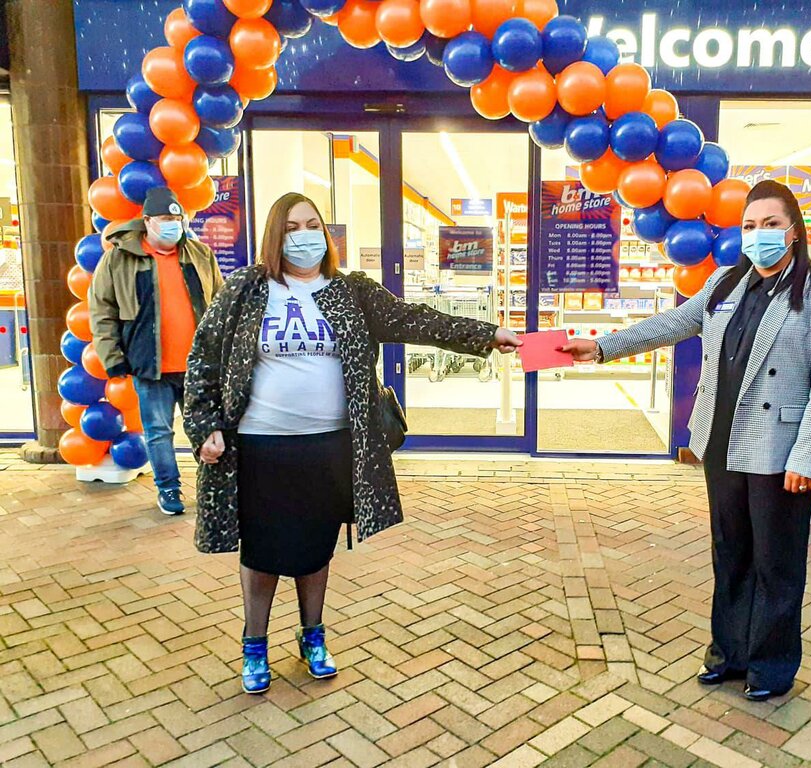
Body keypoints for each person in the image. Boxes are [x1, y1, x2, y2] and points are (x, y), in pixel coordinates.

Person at [184, 193, 521, 694]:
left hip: (330, 444)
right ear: (276, 236)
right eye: (294, 226)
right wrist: (205, 425)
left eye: (313, 224)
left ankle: (312, 635)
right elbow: (203, 359)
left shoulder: (350, 292)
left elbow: (414, 320)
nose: (305, 235)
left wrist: (486, 333)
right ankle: (254, 643)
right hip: (260, 445)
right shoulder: (245, 291)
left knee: (315, 546)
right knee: (261, 549)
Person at [563, 180, 811, 701]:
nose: (758, 235)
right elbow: (671, 323)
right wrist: (602, 346)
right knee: (731, 552)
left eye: (770, 225)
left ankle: (771, 665)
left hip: (778, 448)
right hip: (722, 443)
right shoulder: (725, 283)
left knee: (777, 562)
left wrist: (808, 453)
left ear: (793, 231)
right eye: (749, 225)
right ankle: (728, 653)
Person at [89, 186, 224, 515]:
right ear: (147, 220)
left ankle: (210, 489)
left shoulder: (199, 253)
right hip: (151, 365)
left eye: (178, 218)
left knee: (206, 430)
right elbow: (101, 310)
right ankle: (169, 489)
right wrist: (113, 357)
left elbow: (220, 302)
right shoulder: (119, 259)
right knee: (159, 432)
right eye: (166, 218)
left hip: (199, 365)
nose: (173, 224)